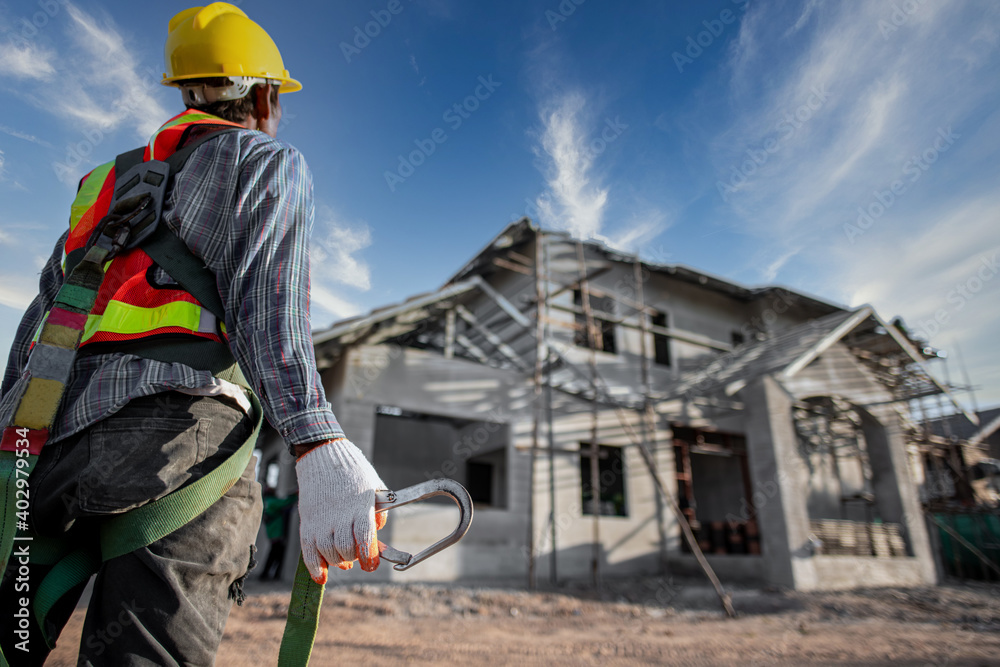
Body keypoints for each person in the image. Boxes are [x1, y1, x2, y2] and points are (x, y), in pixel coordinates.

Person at [0, 4, 387, 664]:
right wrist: (316, 437)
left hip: (49, 445)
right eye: (277, 98)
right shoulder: (267, 160)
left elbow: (41, 321)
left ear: (186, 91)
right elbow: (272, 309)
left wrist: (13, 447)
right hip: (184, 443)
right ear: (262, 95)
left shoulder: (102, 183)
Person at [260, 487, 298, 581]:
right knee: (275, 554)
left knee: (274, 553)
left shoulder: (266, 501)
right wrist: (294, 495)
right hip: (276, 532)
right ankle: (268, 575)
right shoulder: (272, 501)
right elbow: (285, 502)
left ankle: (269, 574)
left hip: (273, 532)